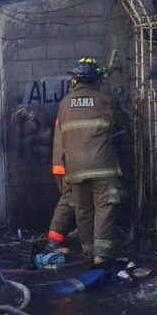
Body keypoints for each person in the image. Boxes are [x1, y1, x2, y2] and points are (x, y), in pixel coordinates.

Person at [56, 56, 124, 264]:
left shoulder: (64, 103)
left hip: (74, 168)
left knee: (83, 209)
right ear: (96, 80)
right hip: (101, 166)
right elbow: (119, 123)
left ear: (76, 80)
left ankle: (87, 252)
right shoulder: (105, 100)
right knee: (105, 205)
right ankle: (101, 255)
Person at [47, 93, 77, 253]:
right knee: (70, 200)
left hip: (64, 163)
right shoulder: (71, 109)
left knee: (73, 200)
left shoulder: (66, 107)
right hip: (69, 165)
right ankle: (54, 239)